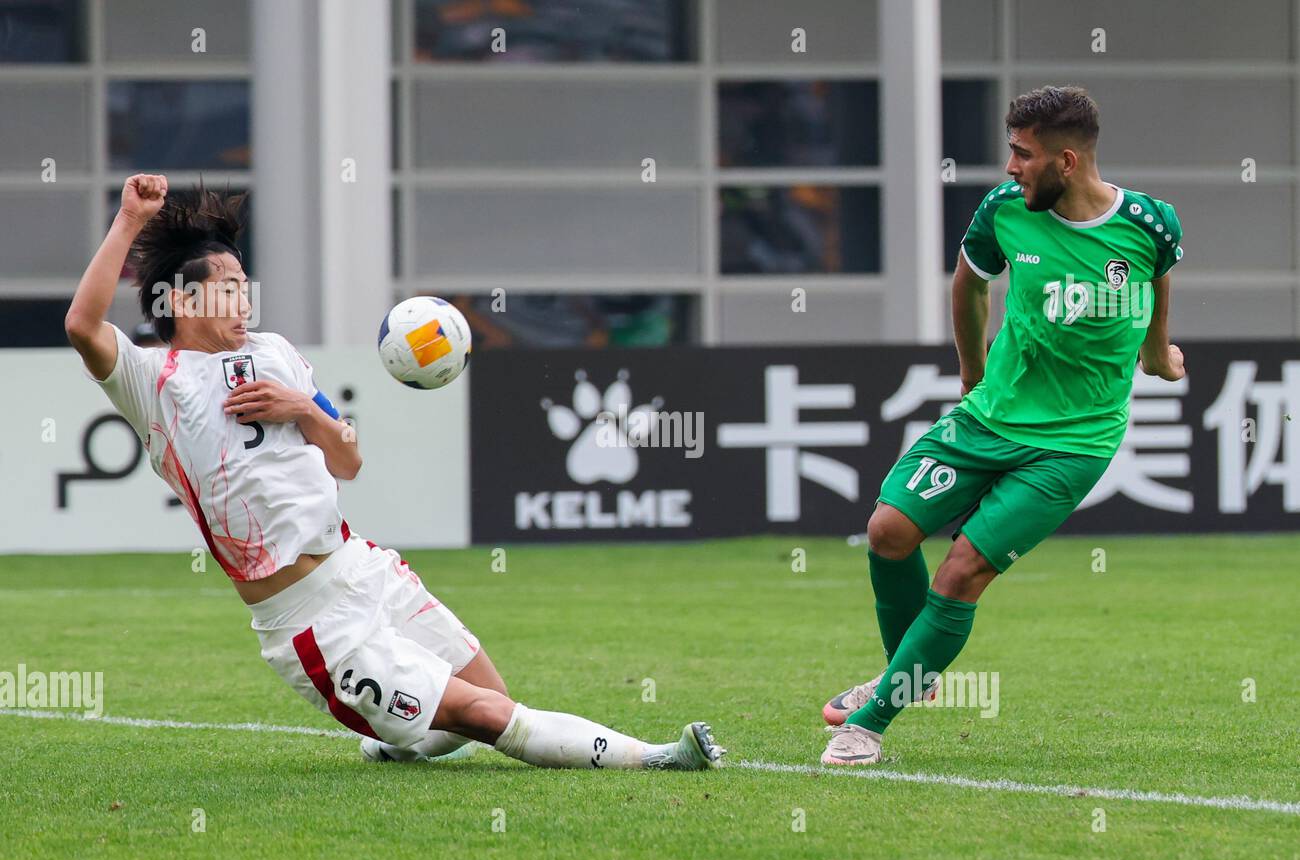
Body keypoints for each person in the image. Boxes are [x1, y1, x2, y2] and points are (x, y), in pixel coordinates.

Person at [65, 173, 724, 772]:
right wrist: (128, 221)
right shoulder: (155, 382)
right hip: (313, 622)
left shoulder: (276, 355)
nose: (244, 303)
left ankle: (394, 741)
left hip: (361, 567)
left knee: (488, 703)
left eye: (246, 288)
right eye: (229, 290)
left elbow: (347, 457)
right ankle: (659, 757)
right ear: (181, 299)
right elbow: (81, 324)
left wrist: (304, 410)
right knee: (488, 718)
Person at [821, 86, 1186, 764]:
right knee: (888, 531)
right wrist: (970, 373)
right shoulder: (1004, 212)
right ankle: (908, 672)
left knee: (960, 574)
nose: (1011, 167)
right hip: (989, 418)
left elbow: (1158, 277)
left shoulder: (1150, 223)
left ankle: (868, 724)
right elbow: (969, 283)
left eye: (1023, 154)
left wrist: (1158, 354)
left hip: (1073, 444)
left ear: (1067, 162)